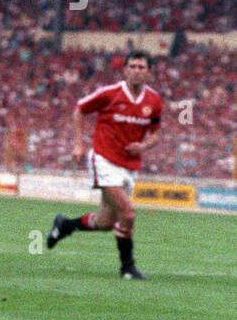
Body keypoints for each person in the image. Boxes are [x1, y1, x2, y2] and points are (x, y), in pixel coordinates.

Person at [46, 50, 162, 279]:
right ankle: (127, 267)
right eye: (133, 66)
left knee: (106, 222)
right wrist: (79, 144)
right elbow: (79, 109)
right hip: (104, 160)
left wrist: (144, 146)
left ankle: (65, 225)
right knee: (128, 214)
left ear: (148, 72)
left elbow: (156, 134)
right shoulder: (110, 93)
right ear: (125, 69)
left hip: (129, 165)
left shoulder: (154, 100)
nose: (137, 71)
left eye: (141, 67)